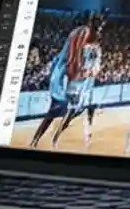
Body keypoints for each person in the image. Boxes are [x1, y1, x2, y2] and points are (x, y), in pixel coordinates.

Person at [28, 14, 95, 148]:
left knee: (62, 112)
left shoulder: (75, 38)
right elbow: (71, 65)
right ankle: (40, 139)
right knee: (57, 112)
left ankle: (41, 139)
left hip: (62, 78)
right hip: (62, 81)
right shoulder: (78, 39)